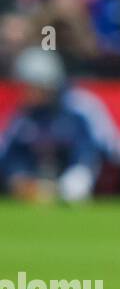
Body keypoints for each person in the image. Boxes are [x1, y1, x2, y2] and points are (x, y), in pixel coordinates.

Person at [0, 48, 108, 202]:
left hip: (71, 179)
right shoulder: (22, 117)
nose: (25, 92)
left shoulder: (78, 108)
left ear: (47, 85)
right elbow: (11, 154)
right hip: (36, 183)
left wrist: (76, 175)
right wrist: (19, 176)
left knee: (76, 187)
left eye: (30, 87)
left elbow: (90, 148)